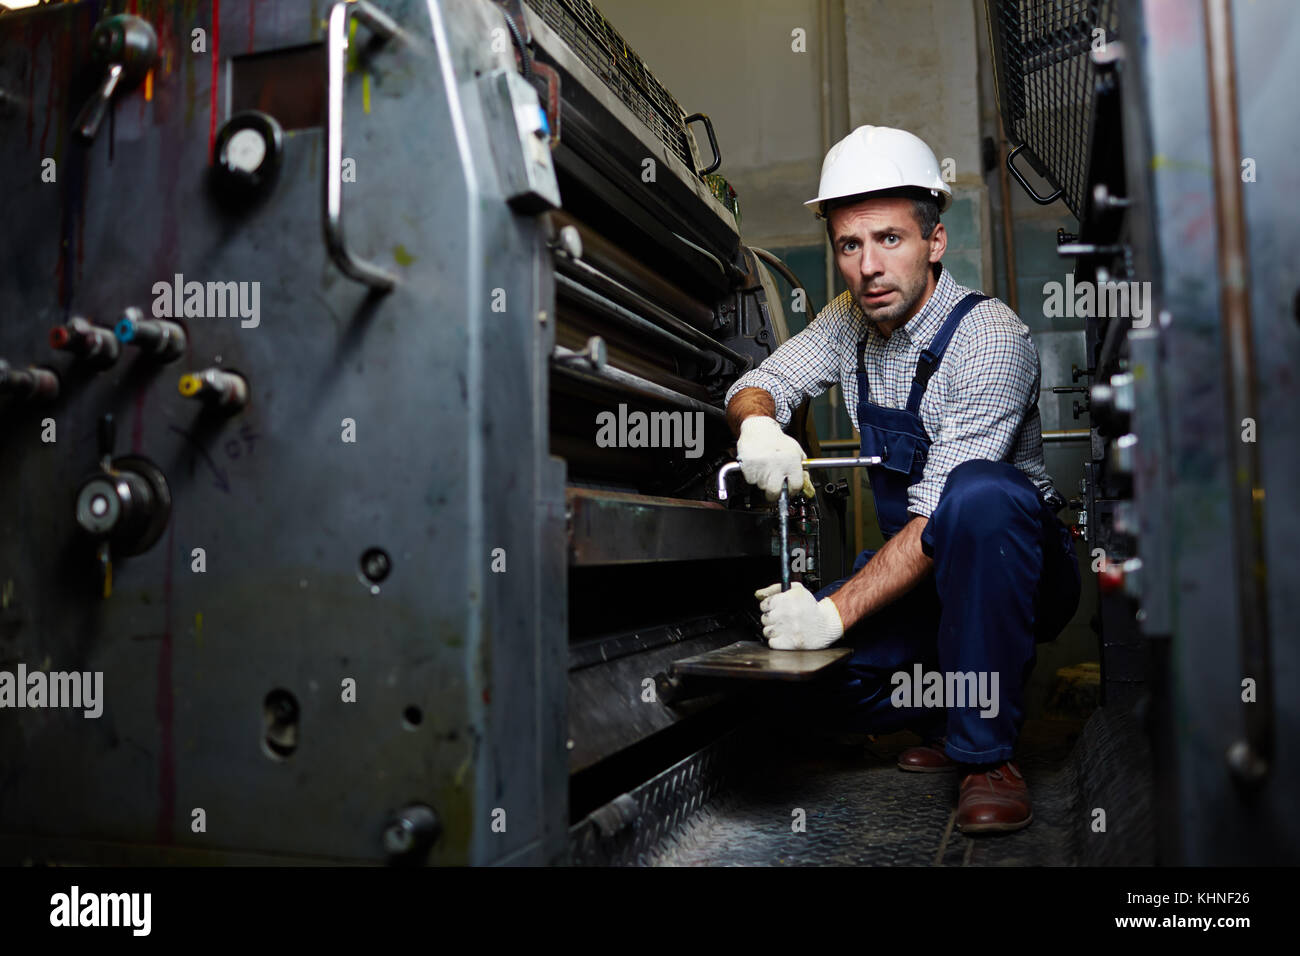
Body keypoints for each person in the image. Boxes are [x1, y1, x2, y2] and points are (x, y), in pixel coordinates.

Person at [725, 125, 1081, 833]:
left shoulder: (990, 336)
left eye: (890, 238)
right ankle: (944, 707)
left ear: (935, 242)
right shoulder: (847, 321)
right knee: (792, 692)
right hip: (921, 581)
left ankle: (985, 754)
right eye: (850, 245)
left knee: (979, 495)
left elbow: (940, 517)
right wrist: (758, 425)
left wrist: (828, 618)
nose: (868, 267)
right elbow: (759, 380)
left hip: (1018, 567)